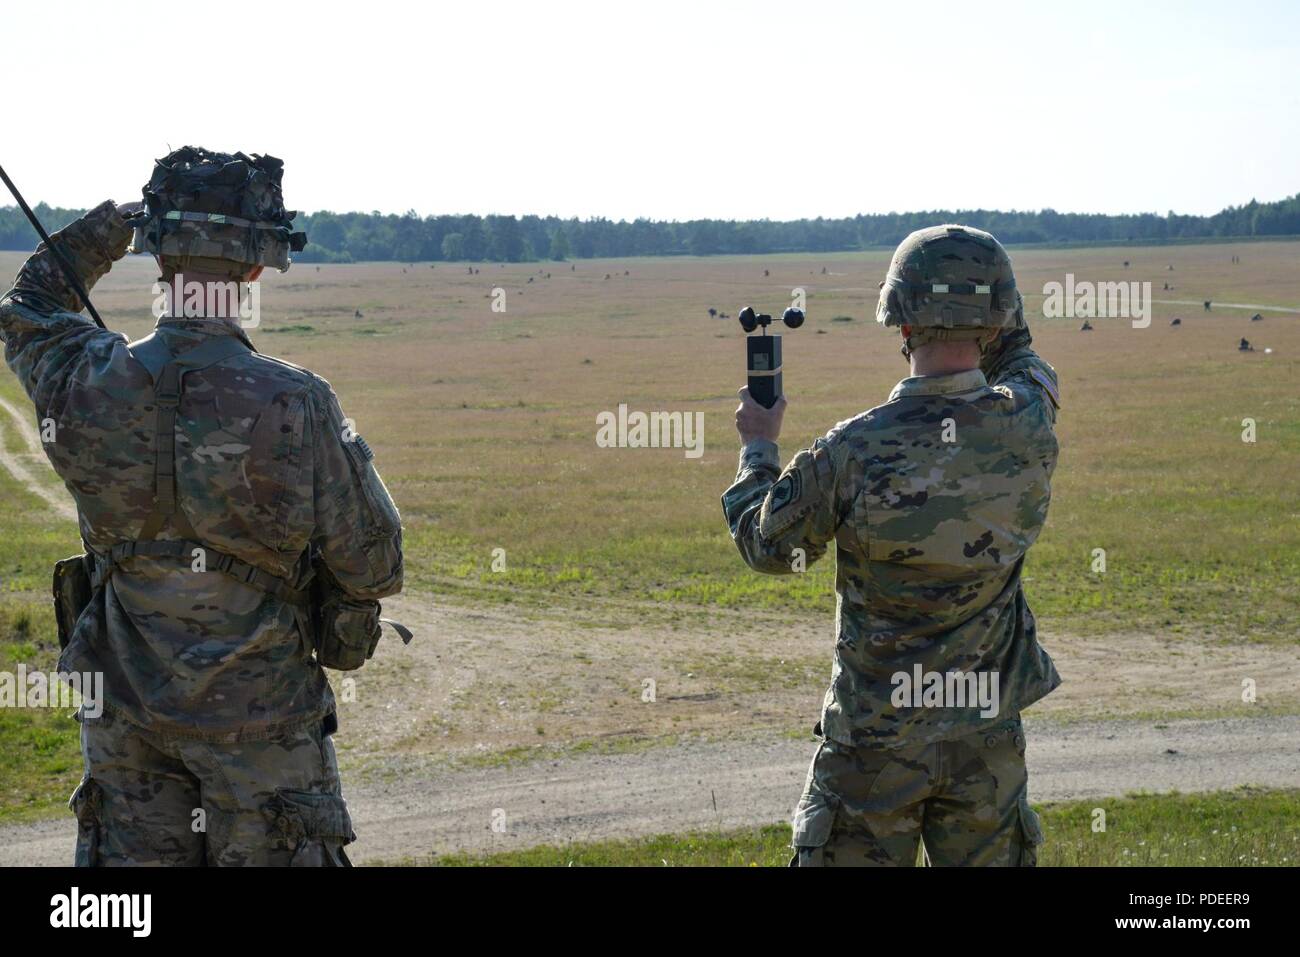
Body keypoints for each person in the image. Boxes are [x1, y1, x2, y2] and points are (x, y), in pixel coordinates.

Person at [0, 147, 405, 866]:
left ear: (158, 259)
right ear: (255, 271)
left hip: (125, 724)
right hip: (264, 732)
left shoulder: (84, 375)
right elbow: (374, 562)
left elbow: (28, 306)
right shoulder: (298, 401)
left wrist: (108, 228)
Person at [723, 225, 1061, 866]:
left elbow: (765, 547)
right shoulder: (1029, 419)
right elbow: (1024, 357)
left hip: (874, 744)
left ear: (900, 326)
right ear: (993, 324)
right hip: (985, 735)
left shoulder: (848, 451)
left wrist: (759, 446)